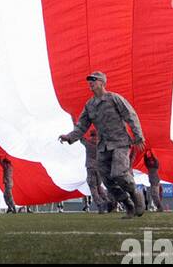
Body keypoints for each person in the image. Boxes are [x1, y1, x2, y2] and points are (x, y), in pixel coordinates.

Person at [58, 71, 144, 219]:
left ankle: (135, 194)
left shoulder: (114, 98)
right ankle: (128, 204)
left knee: (118, 173)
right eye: (89, 81)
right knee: (107, 179)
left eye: (93, 80)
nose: (90, 83)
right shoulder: (90, 105)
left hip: (120, 143)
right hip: (103, 146)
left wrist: (138, 136)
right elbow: (82, 125)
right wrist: (69, 137)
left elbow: (131, 116)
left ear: (102, 83)